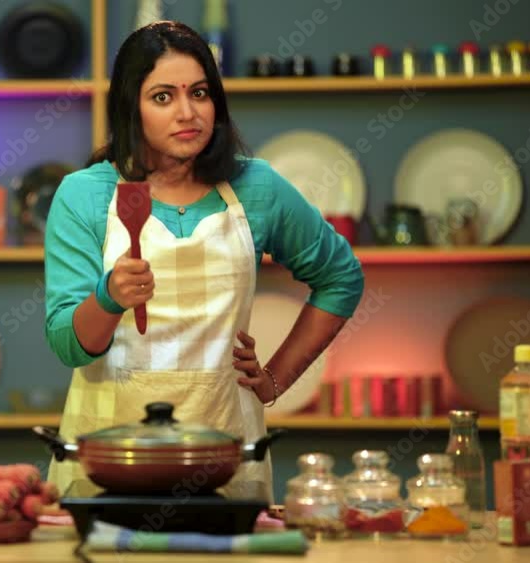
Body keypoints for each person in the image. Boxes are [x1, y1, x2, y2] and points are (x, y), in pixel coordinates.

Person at [42, 21, 365, 500]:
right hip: (107, 460)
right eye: (163, 97)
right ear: (130, 107)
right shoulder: (83, 195)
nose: (187, 113)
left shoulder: (257, 187)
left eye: (199, 93)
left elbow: (342, 278)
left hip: (225, 455)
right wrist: (109, 298)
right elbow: (70, 346)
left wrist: (276, 379)